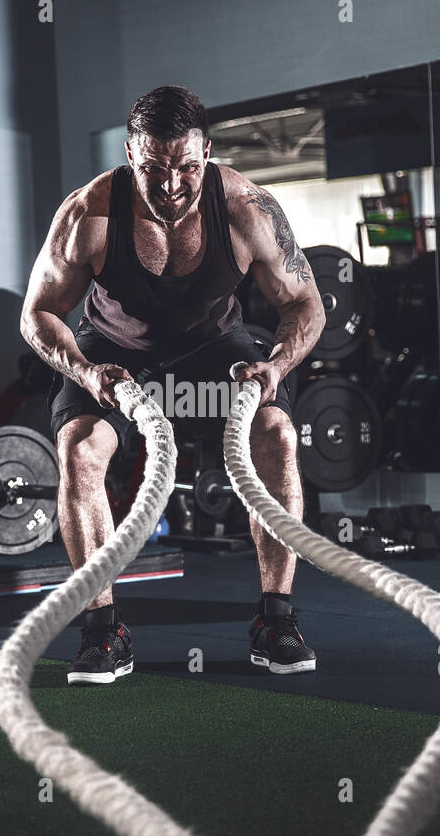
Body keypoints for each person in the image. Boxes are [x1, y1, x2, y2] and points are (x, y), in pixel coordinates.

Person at [20, 85, 324, 685]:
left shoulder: (245, 208)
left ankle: (276, 619)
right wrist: (85, 371)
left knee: (277, 436)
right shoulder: (89, 214)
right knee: (80, 450)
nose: (171, 185)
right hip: (115, 351)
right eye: (155, 169)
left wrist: (276, 368)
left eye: (187, 166)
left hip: (216, 350)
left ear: (206, 153)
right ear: (132, 156)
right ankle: (103, 632)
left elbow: (305, 305)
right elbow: (38, 313)